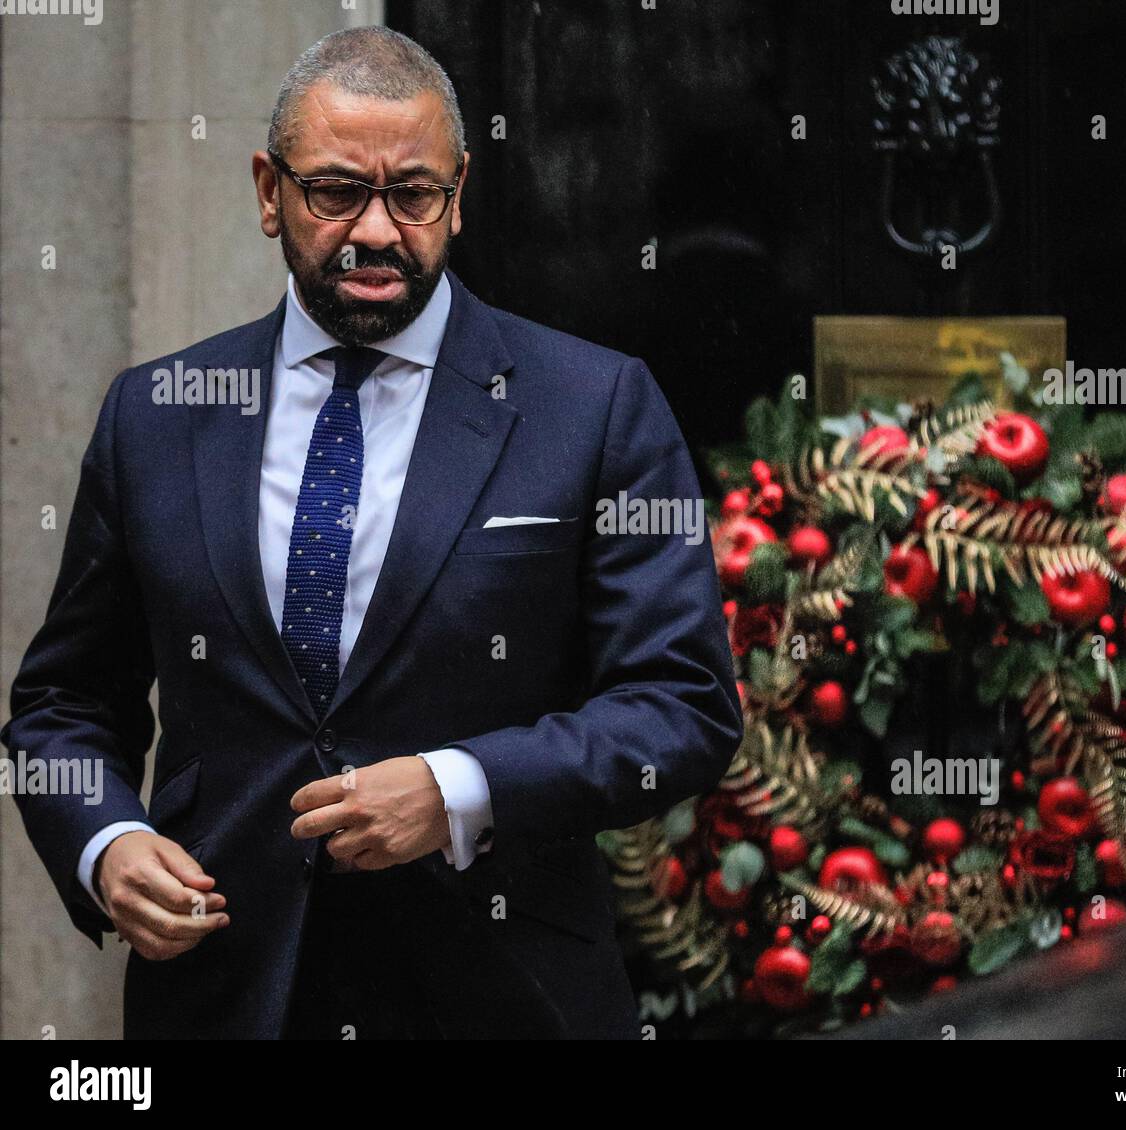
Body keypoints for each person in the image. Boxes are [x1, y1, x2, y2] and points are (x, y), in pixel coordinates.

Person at [1, 26, 742, 1040]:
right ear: (270, 191)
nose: (380, 230)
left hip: (505, 1002)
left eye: (415, 194)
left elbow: (684, 706)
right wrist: (107, 841)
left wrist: (457, 787)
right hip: (224, 997)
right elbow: (62, 701)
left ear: (460, 193)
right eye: (337, 192)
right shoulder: (158, 413)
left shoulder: (594, 404)